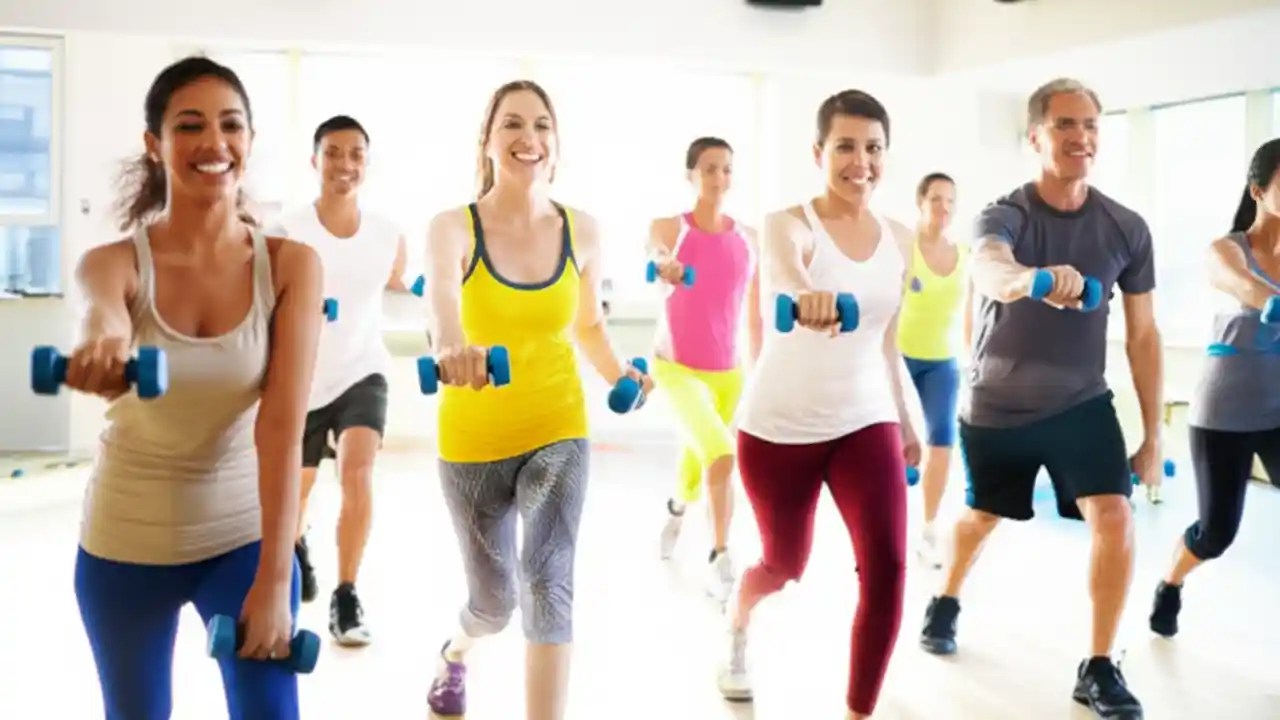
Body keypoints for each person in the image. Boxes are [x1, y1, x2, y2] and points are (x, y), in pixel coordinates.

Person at [68, 56, 322, 720]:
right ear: (154, 145)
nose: (214, 143)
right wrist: (107, 337)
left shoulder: (290, 265)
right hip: (126, 541)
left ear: (250, 140)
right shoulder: (113, 263)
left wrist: (275, 578)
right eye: (189, 126)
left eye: (230, 125)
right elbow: (104, 309)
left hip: (241, 538)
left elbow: (282, 425)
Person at [917, 78, 1162, 720]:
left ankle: (1100, 666)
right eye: (1064, 126)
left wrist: (1154, 434)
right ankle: (946, 595)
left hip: (1081, 401)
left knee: (1114, 516)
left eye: (1090, 126)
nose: (1080, 137)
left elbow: (1142, 334)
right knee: (981, 519)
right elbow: (989, 268)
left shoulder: (1126, 228)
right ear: (1035, 137)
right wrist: (1034, 281)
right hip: (997, 403)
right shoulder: (1005, 213)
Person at [422, 79, 653, 720]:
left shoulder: (582, 228)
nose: (530, 138)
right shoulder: (452, 226)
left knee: (549, 580)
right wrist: (452, 349)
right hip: (472, 441)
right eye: (513, 125)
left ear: (556, 141)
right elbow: (442, 302)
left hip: (557, 425)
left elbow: (586, 325)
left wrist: (621, 378)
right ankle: (456, 651)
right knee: (494, 602)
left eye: (542, 125)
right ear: (488, 141)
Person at [717, 89, 921, 720]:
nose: (861, 161)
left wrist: (907, 419)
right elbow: (784, 270)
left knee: (887, 569)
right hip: (779, 426)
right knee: (784, 563)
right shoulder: (788, 221)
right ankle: (738, 623)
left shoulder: (900, 238)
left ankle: (859, 711)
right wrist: (808, 295)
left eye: (873, 148)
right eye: (846, 147)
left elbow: (886, 341)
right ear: (819, 152)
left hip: (866, 418)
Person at [270, 114, 408, 647]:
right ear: (314, 161)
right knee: (295, 496)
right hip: (301, 378)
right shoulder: (286, 230)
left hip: (363, 370)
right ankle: (297, 542)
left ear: (366, 165)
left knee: (358, 472)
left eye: (355, 154)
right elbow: (267, 303)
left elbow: (402, 284)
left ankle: (346, 594)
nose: (344, 164)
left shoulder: (388, 233)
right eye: (333, 153)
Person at [1149, 137, 1280, 638]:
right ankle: (1171, 582)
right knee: (1217, 532)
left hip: (1277, 410)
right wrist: (1275, 301)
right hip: (1224, 410)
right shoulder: (1227, 250)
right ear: (1258, 190)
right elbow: (1244, 284)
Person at [649, 136, 758, 604]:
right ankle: (720, 558)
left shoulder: (748, 238)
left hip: (728, 373)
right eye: (710, 168)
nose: (719, 178)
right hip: (676, 369)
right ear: (690, 174)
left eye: (726, 169)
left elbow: (752, 314)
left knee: (698, 466)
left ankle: (677, 508)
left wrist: (760, 370)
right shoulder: (669, 227)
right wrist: (663, 266)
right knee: (720, 452)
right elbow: (657, 258)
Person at [896, 171, 971, 568]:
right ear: (921, 202)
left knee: (942, 442)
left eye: (950, 201)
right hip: (902, 360)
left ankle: (927, 530)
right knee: (897, 449)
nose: (943, 207)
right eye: (936, 199)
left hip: (943, 363)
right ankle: (886, 527)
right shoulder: (903, 249)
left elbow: (971, 314)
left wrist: (974, 358)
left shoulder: (965, 255)